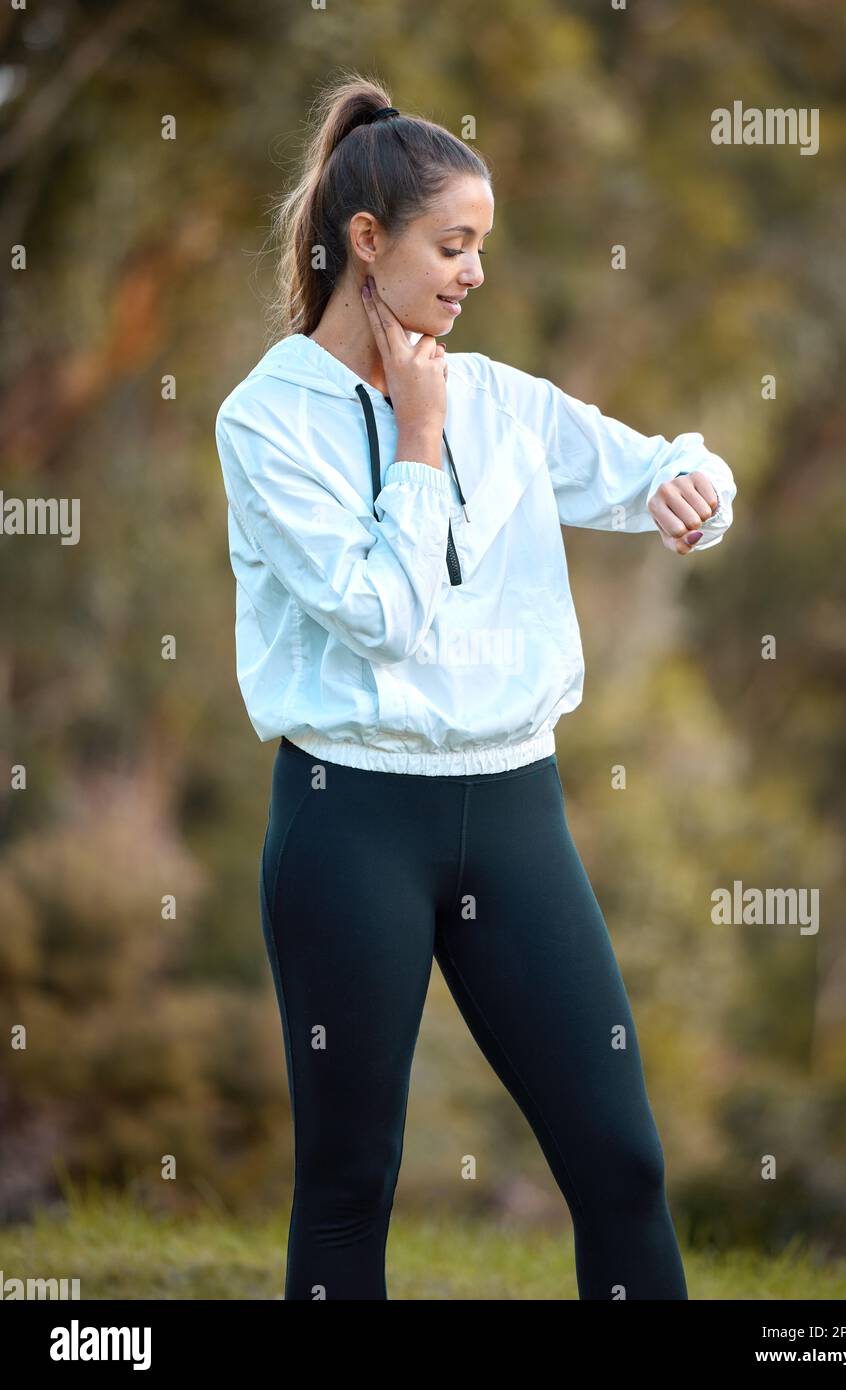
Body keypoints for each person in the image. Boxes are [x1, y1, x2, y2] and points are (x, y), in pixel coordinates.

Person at [215, 74, 736, 1301]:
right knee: (350, 1182)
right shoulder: (263, 422)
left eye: (479, 249)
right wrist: (417, 435)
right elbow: (383, 616)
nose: (472, 275)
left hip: (515, 816)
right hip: (351, 822)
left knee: (620, 1162)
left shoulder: (499, 397)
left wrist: (693, 487)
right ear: (365, 242)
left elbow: (664, 460)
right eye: (452, 246)